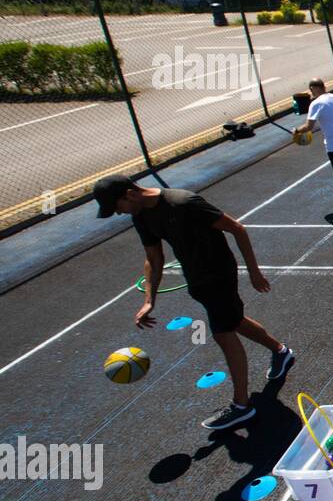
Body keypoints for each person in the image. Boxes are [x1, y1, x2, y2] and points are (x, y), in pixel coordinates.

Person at [93, 175, 294, 430]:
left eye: (118, 207)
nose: (119, 213)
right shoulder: (141, 216)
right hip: (196, 277)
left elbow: (236, 228)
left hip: (219, 273)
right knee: (234, 321)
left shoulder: (183, 202)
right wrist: (149, 301)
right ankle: (281, 351)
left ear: (130, 194)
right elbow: (153, 259)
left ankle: (242, 406)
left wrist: (253, 271)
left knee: (223, 333)